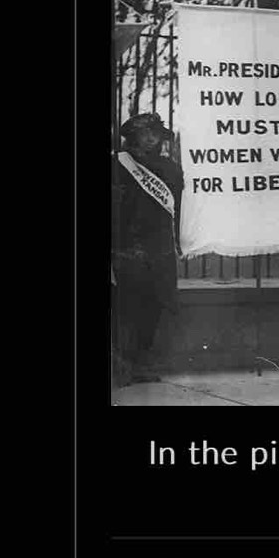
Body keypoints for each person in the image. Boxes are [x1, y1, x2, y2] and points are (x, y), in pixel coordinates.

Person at [111, 112, 183, 386]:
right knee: (126, 309)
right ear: (133, 137)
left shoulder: (171, 168)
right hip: (127, 249)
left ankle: (140, 363)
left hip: (160, 251)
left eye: (156, 132)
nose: (152, 138)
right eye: (146, 133)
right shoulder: (118, 165)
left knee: (153, 309)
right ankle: (121, 365)